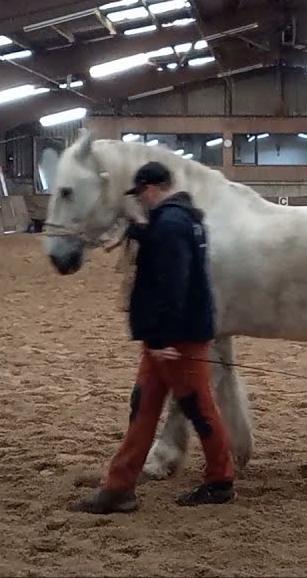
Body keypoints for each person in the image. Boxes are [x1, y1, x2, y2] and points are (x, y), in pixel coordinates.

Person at [74, 160, 236, 514]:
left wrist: (162, 339)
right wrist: (141, 232)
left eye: (141, 195)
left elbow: (173, 284)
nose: (140, 202)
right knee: (142, 407)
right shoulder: (180, 220)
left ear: (149, 188)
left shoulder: (172, 225)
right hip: (165, 338)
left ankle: (221, 480)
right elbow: (169, 257)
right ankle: (119, 487)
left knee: (198, 406)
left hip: (175, 339)